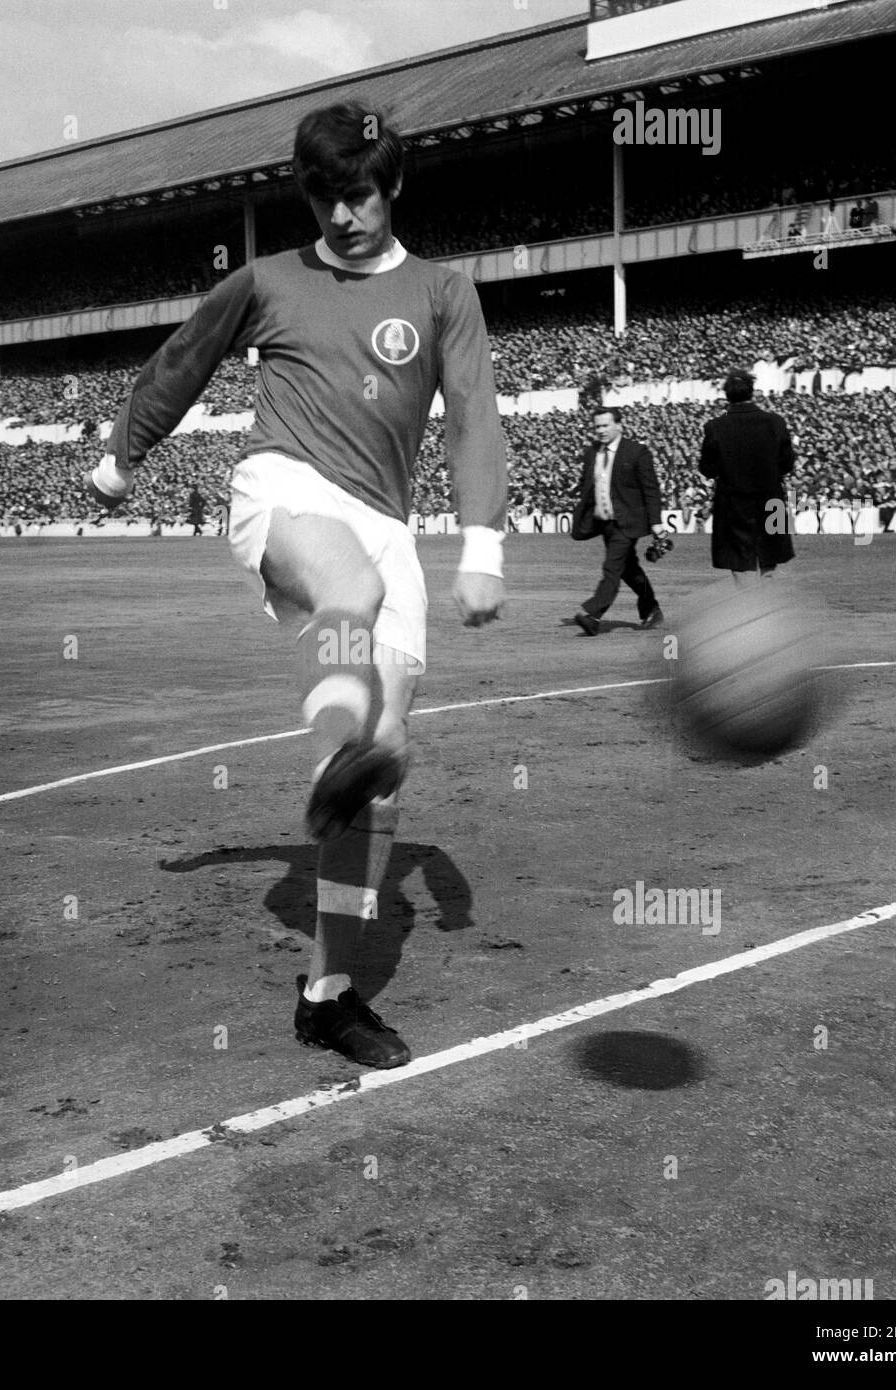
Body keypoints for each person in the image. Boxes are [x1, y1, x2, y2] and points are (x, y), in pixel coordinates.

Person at [84, 100, 506, 1069]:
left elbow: (472, 415)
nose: (342, 216)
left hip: (388, 525)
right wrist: (123, 455)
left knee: (385, 769)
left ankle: (325, 993)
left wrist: (479, 539)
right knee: (345, 599)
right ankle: (329, 761)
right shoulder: (267, 280)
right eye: (324, 197)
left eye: (357, 194)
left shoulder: (443, 291)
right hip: (284, 489)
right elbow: (184, 359)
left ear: (391, 186)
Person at [571, 406, 666, 634]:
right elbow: (587, 484)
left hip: (628, 522)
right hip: (605, 523)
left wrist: (656, 523)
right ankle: (651, 609)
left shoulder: (636, 452)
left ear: (619, 425)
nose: (601, 430)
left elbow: (650, 489)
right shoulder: (591, 453)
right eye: (597, 426)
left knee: (612, 568)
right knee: (628, 570)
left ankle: (593, 615)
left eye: (605, 425)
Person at [699, 368, 796, 582]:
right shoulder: (775, 422)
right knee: (771, 555)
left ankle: (748, 605)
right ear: (752, 392)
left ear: (726, 395)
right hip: (772, 497)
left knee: (738, 560)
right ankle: (767, 602)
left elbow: (707, 468)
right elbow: (787, 463)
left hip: (733, 502)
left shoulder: (715, 427)